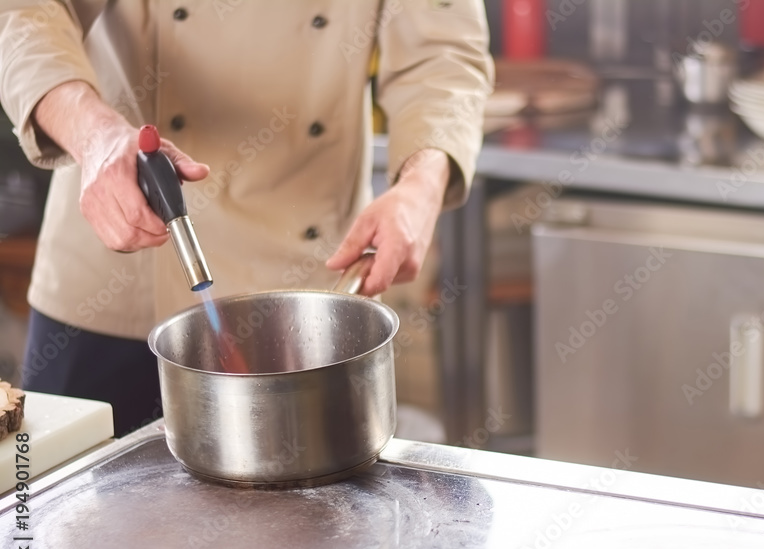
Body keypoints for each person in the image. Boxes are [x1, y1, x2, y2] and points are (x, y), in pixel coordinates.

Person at [0, 1, 493, 436]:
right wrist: (93, 135)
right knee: (57, 532)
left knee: (306, 531)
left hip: (303, 305)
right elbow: (22, 11)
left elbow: (443, 54)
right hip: (115, 275)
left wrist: (420, 188)